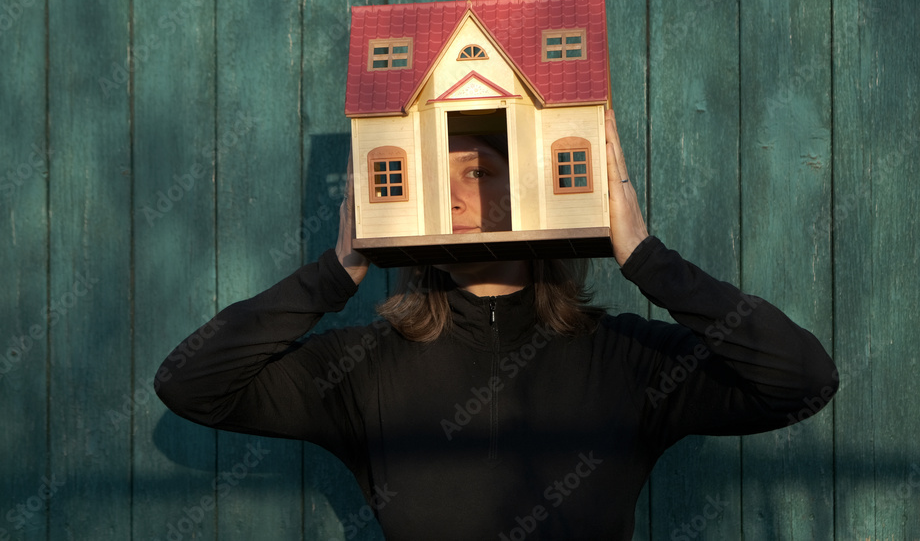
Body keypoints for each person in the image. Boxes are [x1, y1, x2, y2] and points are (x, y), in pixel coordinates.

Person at [154, 110, 838, 540]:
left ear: (536, 188)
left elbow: (802, 378)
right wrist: (335, 272)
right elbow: (190, 383)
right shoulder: (362, 369)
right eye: (433, 175)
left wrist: (649, 260)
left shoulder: (628, 361)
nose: (451, 194)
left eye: (477, 170)